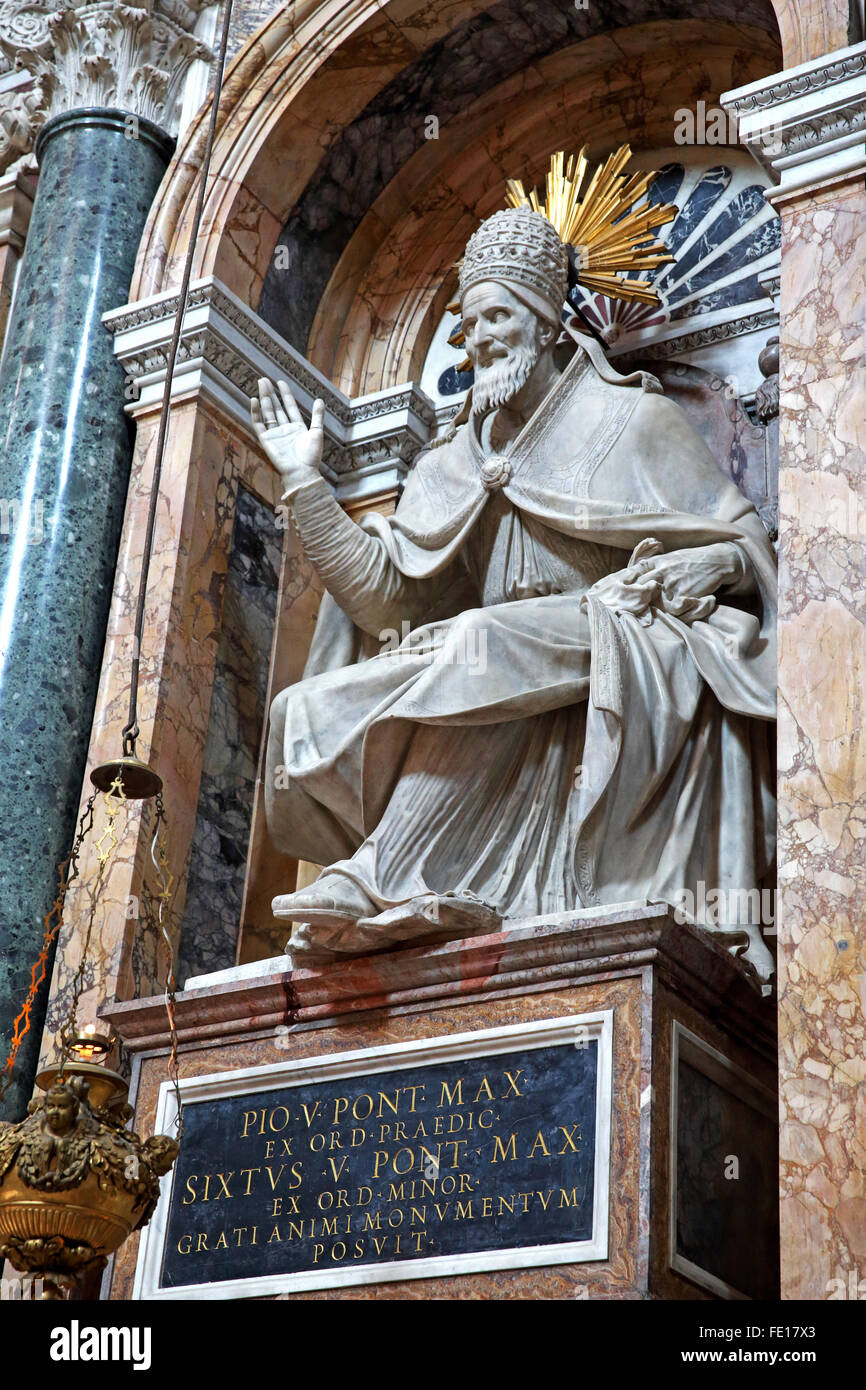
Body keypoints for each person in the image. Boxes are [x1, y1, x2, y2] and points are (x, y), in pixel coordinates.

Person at [251, 207, 776, 977]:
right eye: (468, 323)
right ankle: (428, 889)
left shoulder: (633, 420)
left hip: (625, 636)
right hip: (513, 667)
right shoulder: (451, 461)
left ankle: (380, 873)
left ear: (544, 320)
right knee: (301, 707)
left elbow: (744, 543)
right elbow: (383, 598)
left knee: (477, 643)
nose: (481, 337)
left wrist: (710, 567)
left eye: (499, 314)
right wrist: (304, 482)